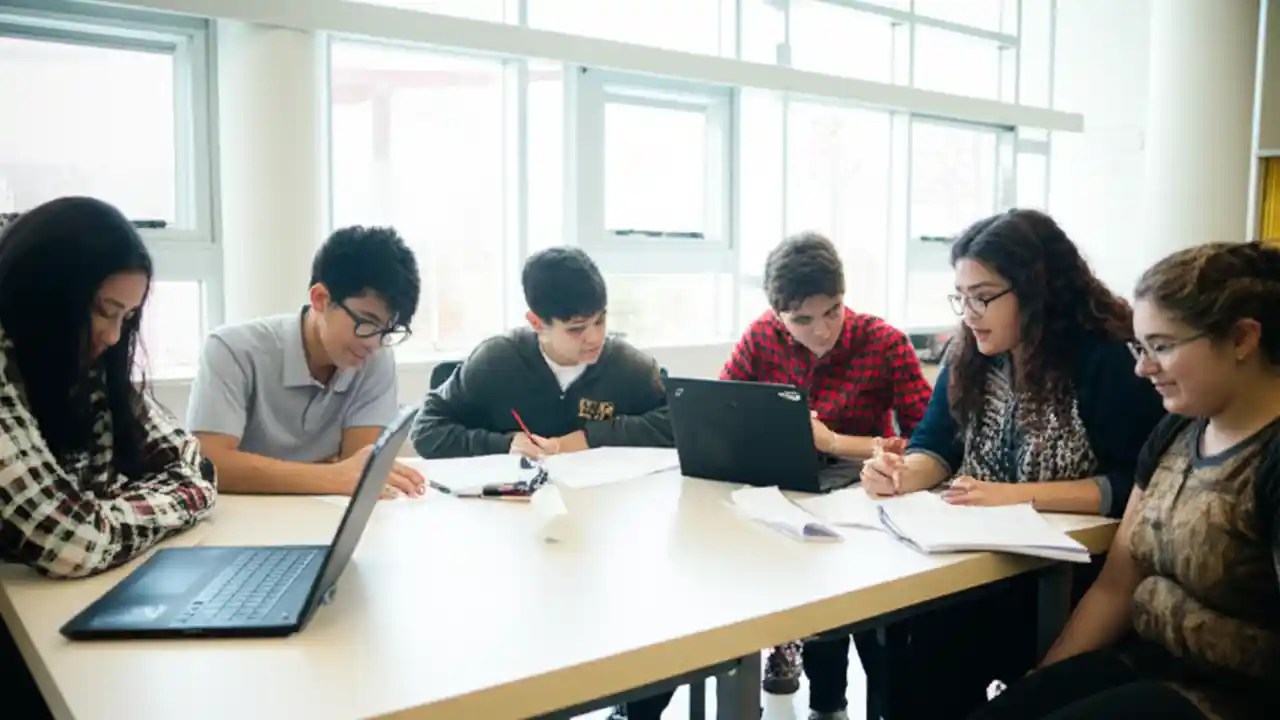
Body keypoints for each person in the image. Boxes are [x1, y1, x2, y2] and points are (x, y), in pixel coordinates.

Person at [846, 209, 1166, 719]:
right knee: (906, 639)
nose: (970, 314)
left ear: (1038, 289)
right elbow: (935, 443)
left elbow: (1138, 484)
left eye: (983, 296)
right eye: (962, 297)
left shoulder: (1106, 357)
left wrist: (1016, 496)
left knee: (936, 644)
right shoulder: (970, 353)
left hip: (1065, 576)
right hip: (975, 562)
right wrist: (901, 474)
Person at [970, 241, 1280, 720]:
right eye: (1141, 347)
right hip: (1152, 663)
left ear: (1242, 339)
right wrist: (1039, 684)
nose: (1142, 367)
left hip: (1239, 698)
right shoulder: (1176, 431)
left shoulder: (1270, 459)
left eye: (1162, 346)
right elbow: (1116, 585)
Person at [0, 197, 217, 717]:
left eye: (127, 316)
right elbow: (73, 543)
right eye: (104, 310)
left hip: (49, 608)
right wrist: (134, 509)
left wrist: (106, 513)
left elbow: (195, 464)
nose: (114, 335)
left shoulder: (83, 357)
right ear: (48, 291)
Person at [726, 232, 933, 702]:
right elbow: (722, 410)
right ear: (778, 314)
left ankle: (842, 688)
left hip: (861, 496)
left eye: (833, 311)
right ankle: (809, 671)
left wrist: (836, 442)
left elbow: (928, 444)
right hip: (785, 495)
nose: (821, 330)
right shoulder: (761, 336)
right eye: (802, 319)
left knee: (859, 612)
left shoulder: (885, 343)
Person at [187, 225, 425, 498]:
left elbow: (360, 469)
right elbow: (208, 464)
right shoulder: (233, 349)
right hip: (241, 515)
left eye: (388, 330)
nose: (374, 343)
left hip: (326, 514)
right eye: (367, 322)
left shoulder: (374, 358)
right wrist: (329, 475)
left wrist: (257, 470)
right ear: (320, 299)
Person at [411, 246, 671, 460]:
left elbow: (679, 422)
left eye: (600, 321)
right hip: (512, 502)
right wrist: (504, 445)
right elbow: (426, 429)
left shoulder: (628, 366)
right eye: (576, 329)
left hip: (601, 502)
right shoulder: (496, 361)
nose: (594, 338)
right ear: (536, 323)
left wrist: (590, 438)